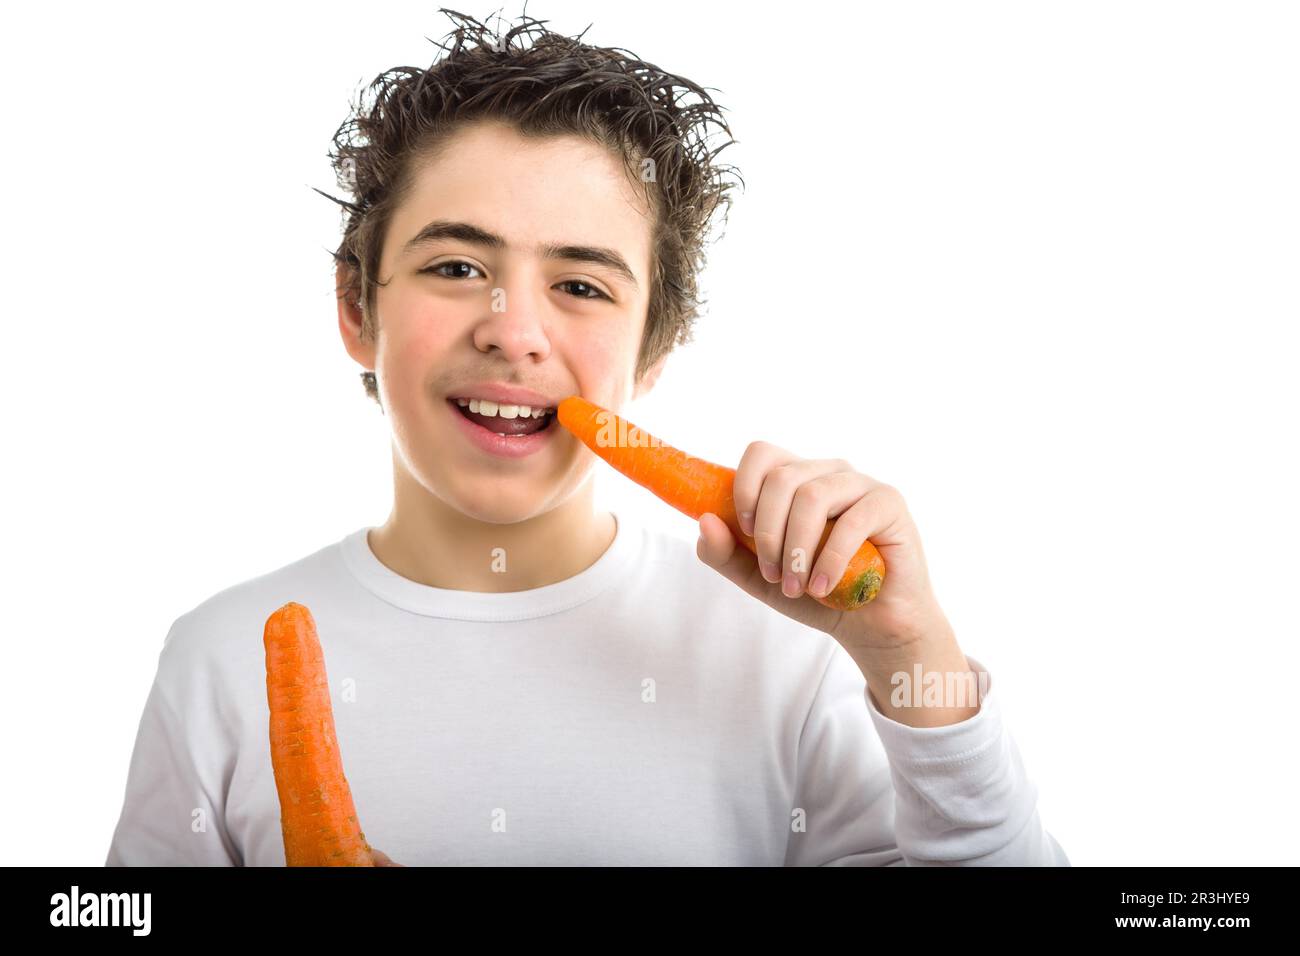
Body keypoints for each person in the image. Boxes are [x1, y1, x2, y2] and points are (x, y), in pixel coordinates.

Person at [106, 9, 1068, 866]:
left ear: (652, 350)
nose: (512, 329)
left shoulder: (792, 651)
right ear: (359, 307)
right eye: (454, 264)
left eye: (580, 286)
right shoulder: (219, 657)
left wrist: (910, 656)